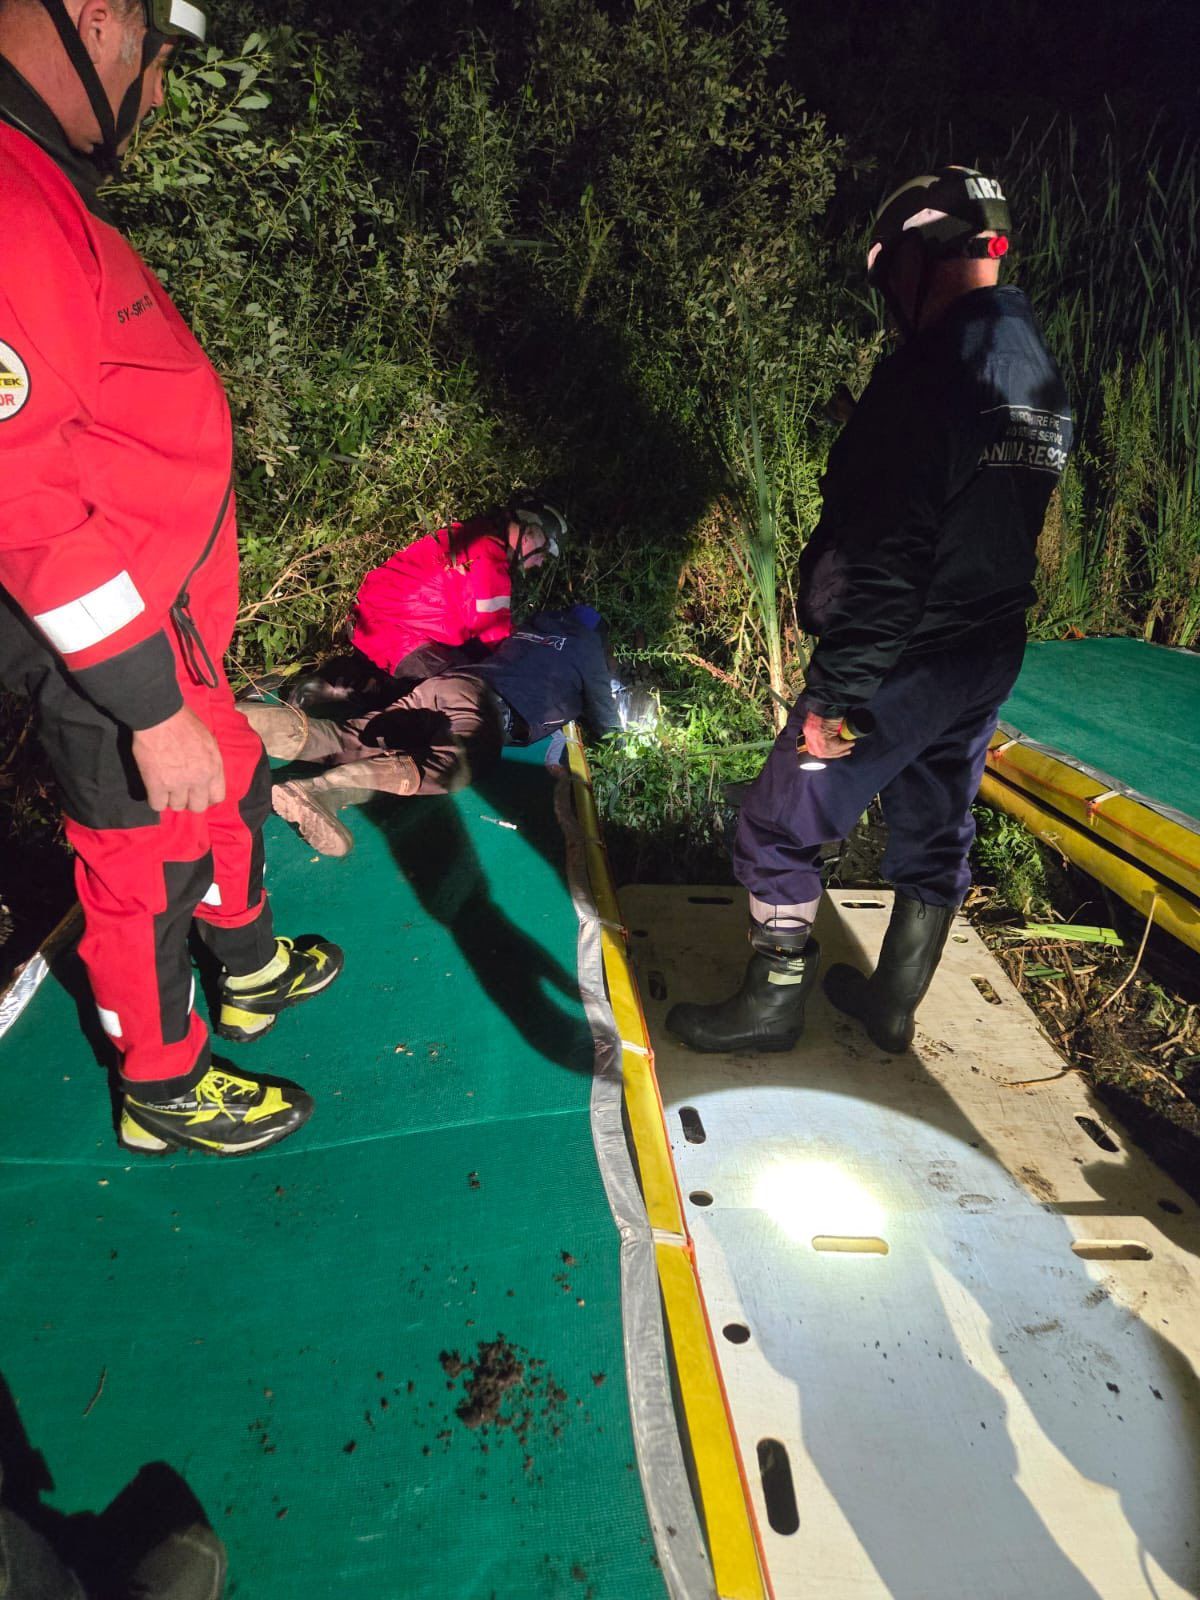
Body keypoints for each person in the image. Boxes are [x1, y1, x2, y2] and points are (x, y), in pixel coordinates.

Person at [0, 0, 343, 1156]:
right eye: (157, 64)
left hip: (167, 616)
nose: (154, 98)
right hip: (104, 650)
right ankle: (161, 1085)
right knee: (144, 857)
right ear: (99, 22)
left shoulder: (41, 180)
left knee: (230, 768)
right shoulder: (7, 196)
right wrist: (148, 708)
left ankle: (245, 967)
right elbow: (19, 496)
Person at [667, 166, 1073, 1056]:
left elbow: (891, 558)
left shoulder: (927, 375)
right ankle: (892, 1004)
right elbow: (978, 503)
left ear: (916, 259)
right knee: (937, 823)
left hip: (901, 659)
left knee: (779, 820)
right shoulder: (1035, 369)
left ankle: (771, 1007)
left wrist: (835, 699)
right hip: (984, 652)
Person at [242, 606, 624, 855]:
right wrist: (617, 742)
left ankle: (243, 722)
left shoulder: (533, 627)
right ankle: (321, 792)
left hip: (446, 685)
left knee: (351, 738)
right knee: (449, 767)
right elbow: (605, 715)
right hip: (486, 708)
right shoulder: (587, 645)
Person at [284, 500, 567, 713]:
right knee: (463, 690)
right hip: (396, 635)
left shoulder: (474, 535)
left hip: (374, 621)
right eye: (544, 552)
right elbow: (495, 637)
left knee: (461, 661)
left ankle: (342, 678)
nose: (540, 562)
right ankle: (342, 694)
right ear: (530, 535)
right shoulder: (489, 559)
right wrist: (530, 666)